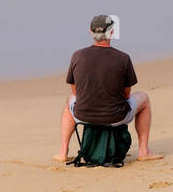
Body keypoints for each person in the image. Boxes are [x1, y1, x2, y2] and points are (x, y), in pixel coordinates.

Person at [56, 14, 162, 162]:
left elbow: (75, 91)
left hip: (83, 115)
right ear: (111, 32)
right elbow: (126, 94)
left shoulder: (77, 56)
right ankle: (143, 150)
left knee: (70, 101)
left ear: (91, 32)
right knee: (144, 99)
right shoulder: (123, 58)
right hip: (115, 116)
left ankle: (63, 151)